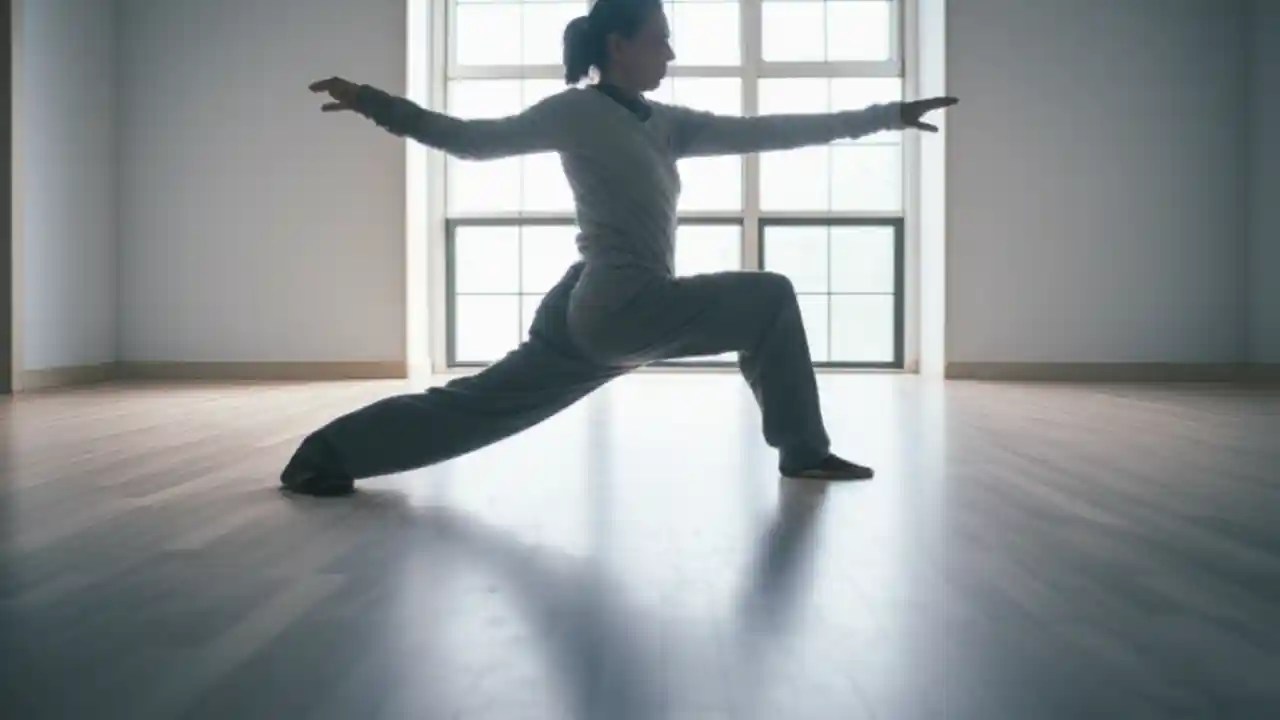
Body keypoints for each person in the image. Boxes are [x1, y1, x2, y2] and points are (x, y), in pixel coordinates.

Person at [288, 0, 957, 496]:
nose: (670, 54)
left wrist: (885, 117)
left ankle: (325, 456)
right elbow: (469, 140)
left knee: (483, 404)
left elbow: (772, 129)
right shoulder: (574, 110)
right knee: (769, 296)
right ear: (618, 44)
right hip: (618, 305)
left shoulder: (665, 123)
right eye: (660, 40)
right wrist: (372, 102)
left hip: (595, 307)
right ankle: (804, 452)